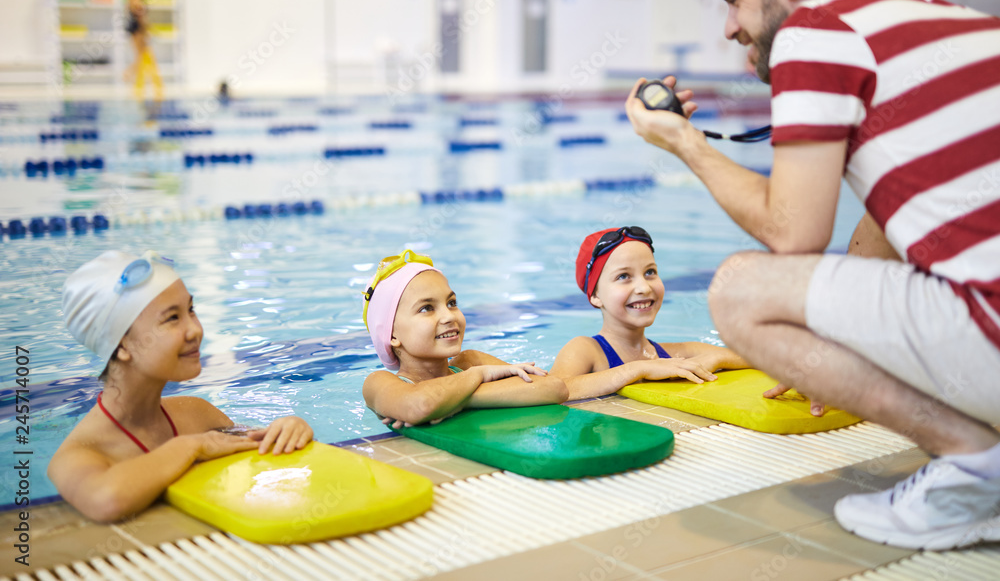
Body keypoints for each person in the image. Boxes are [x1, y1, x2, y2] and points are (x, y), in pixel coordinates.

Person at [624, 0, 1000, 551]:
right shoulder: (950, 19)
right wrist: (823, 354)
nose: (730, 26)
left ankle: (976, 467)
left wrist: (684, 141)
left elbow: (791, 233)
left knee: (741, 289)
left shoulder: (817, 31)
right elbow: (889, 217)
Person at [48, 250, 313, 523]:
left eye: (190, 310)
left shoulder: (198, 414)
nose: (195, 330)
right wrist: (191, 446)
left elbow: (256, 448)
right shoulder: (77, 455)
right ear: (122, 345)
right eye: (172, 318)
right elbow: (106, 500)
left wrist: (287, 430)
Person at [361, 250, 568, 428]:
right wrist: (480, 375)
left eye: (451, 303)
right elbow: (419, 405)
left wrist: (453, 400)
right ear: (392, 335)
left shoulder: (469, 362)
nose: (450, 316)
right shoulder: (378, 382)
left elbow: (554, 388)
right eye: (426, 308)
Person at [551, 226, 747, 400]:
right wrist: (639, 369)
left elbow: (754, 357)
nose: (643, 287)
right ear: (595, 295)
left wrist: (716, 358)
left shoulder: (676, 353)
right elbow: (552, 390)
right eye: (623, 276)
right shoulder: (586, 350)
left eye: (650, 272)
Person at [124, 0, 163, 100]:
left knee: (142, 56)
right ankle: (128, 73)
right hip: (138, 31)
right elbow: (140, 17)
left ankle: (132, 76)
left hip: (135, 30)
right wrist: (147, 31)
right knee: (141, 56)